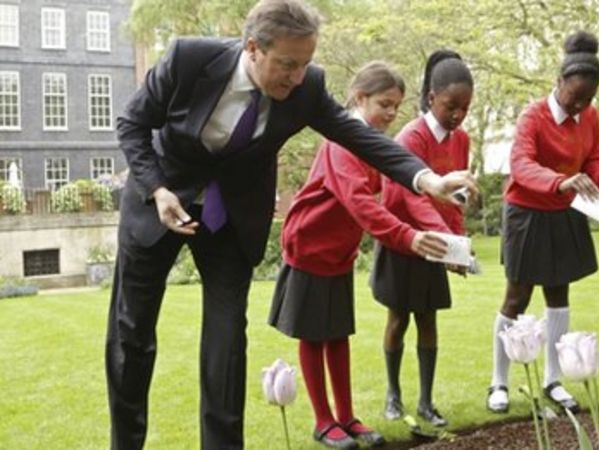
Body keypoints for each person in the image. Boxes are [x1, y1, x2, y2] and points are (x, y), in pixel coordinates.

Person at [105, 1, 476, 448]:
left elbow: (358, 136)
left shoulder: (306, 87)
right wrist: (157, 188)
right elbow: (132, 123)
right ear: (253, 49)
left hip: (230, 218)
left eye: (305, 64)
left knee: (226, 339)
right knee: (133, 334)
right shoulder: (189, 59)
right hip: (159, 202)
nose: (297, 77)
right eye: (286, 64)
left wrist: (428, 179)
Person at [268, 61, 451, 450]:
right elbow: (360, 204)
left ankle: (347, 417)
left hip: (338, 252)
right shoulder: (341, 144)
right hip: (309, 247)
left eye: (397, 107)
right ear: (359, 98)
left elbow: (404, 192)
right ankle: (323, 421)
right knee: (314, 336)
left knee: (338, 335)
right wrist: (408, 238)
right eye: (384, 103)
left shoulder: (375, 145)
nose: (390, 113)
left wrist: (445, 239)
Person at [486, 31, 599, 414]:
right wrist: (560, 180)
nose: (580, 106)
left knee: (559, 294)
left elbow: (594, 156)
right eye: (575, 97)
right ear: (559, 82)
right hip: (527, 212)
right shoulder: (533, 115)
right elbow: (521, 165)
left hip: (565, 211)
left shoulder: (589, 116)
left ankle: (554, 380)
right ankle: (498, 382)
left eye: (588, 99)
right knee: (517, 295)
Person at [372, 50, 473, 428]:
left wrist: (457, 245)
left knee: (429, 319)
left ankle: (427, 402)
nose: (458, 115)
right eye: (451, 106)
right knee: (398, 318)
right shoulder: (409, 137)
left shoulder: (461, 139)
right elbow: (406, 198)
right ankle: (393, 395)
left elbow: (454, 198)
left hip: (438, 240)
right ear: (432, 99)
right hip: (405, 240)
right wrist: (446, 242)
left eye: (465, 107)